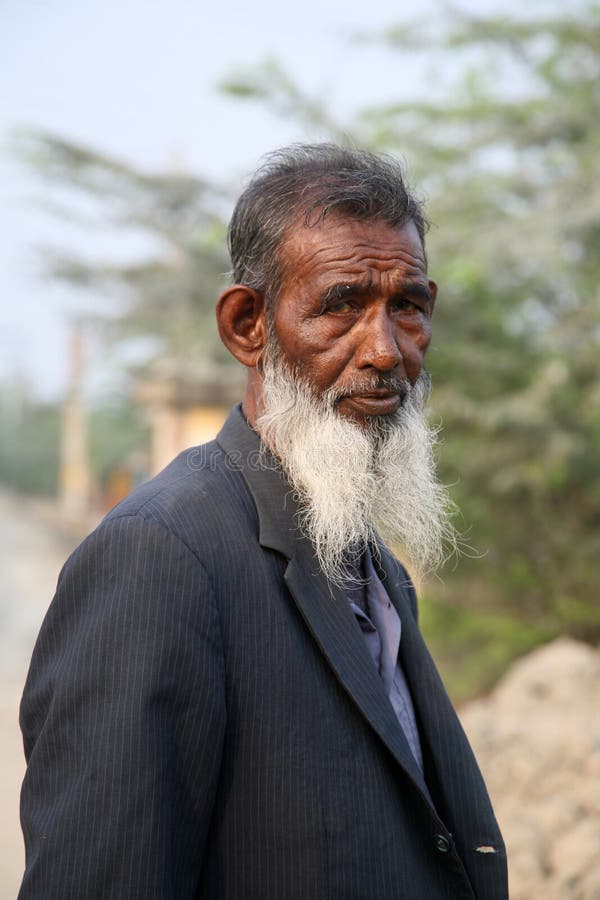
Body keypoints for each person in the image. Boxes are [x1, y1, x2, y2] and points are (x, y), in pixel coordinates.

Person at [19, 143, 507, 899]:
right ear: (248, 325)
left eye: (405, 307)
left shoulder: (371, 565)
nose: (383, 350)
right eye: (341, 305)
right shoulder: (161, 557)